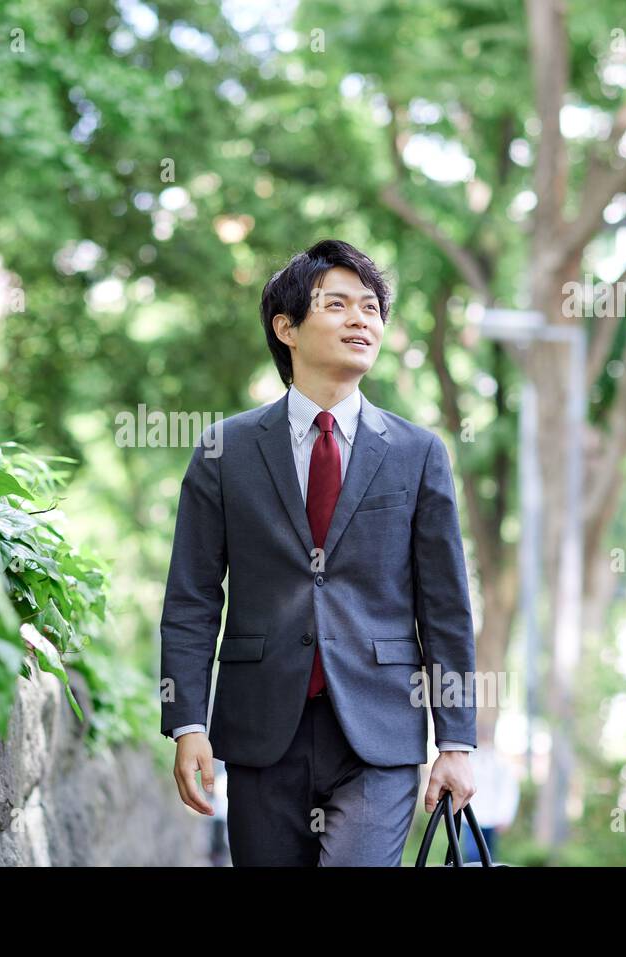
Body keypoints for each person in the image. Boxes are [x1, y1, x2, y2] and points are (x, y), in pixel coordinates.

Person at [160, 238, 478, 866]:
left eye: (371, 307)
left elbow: (445, 607)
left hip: (379, 734)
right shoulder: (224, 452)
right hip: (261, 732)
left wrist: (458, 741)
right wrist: (187, 722)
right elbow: (192, 598)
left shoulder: (418, 453)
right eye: (337, 305)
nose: (362, 319)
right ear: (287, 329)